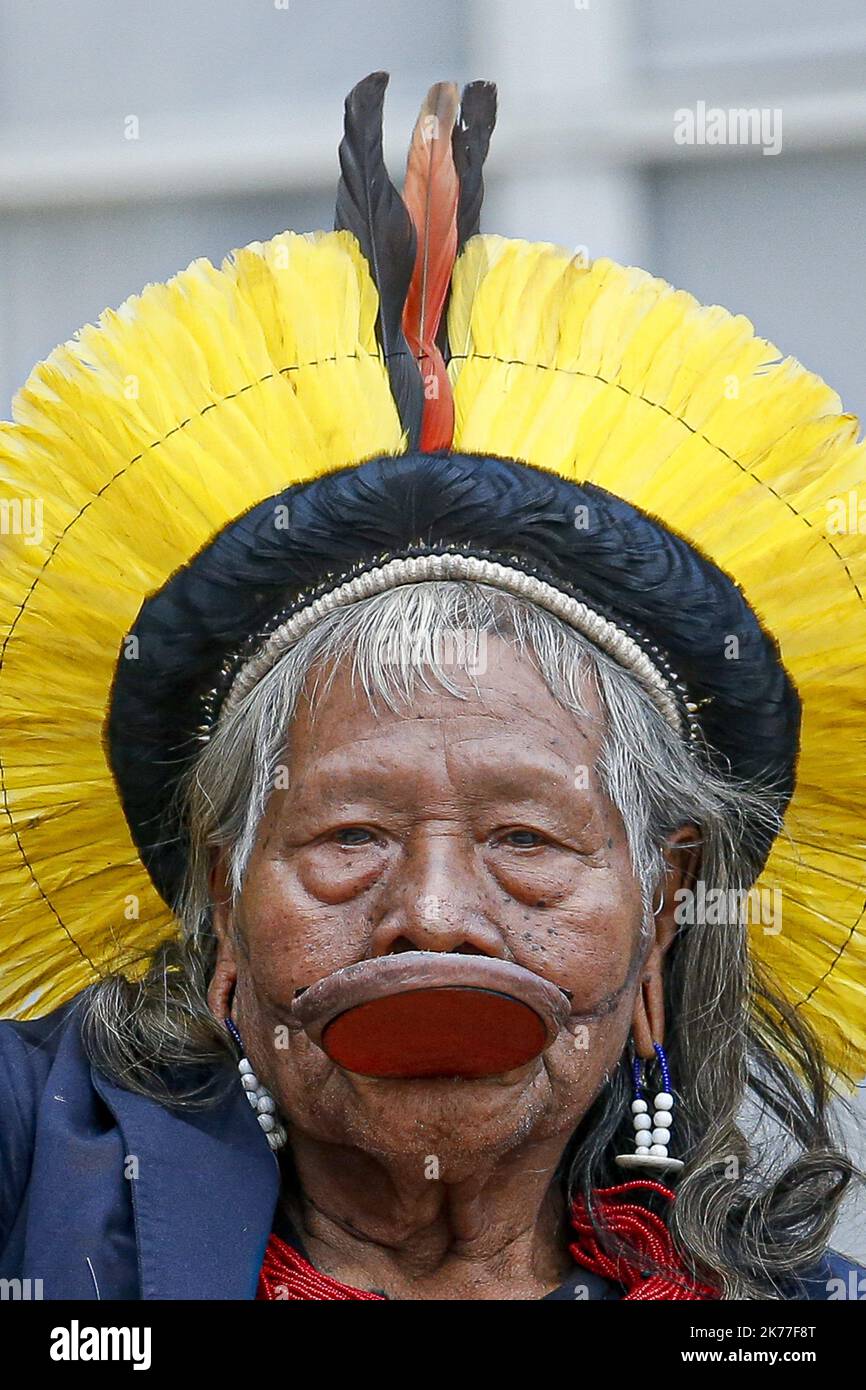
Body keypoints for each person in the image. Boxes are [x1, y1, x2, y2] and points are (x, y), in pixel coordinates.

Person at [0, 72, 863, 1301]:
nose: (437, 914)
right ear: (219, 894)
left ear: (662, 905)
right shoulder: (42, 1195)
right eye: (348, 835)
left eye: (526, 836)